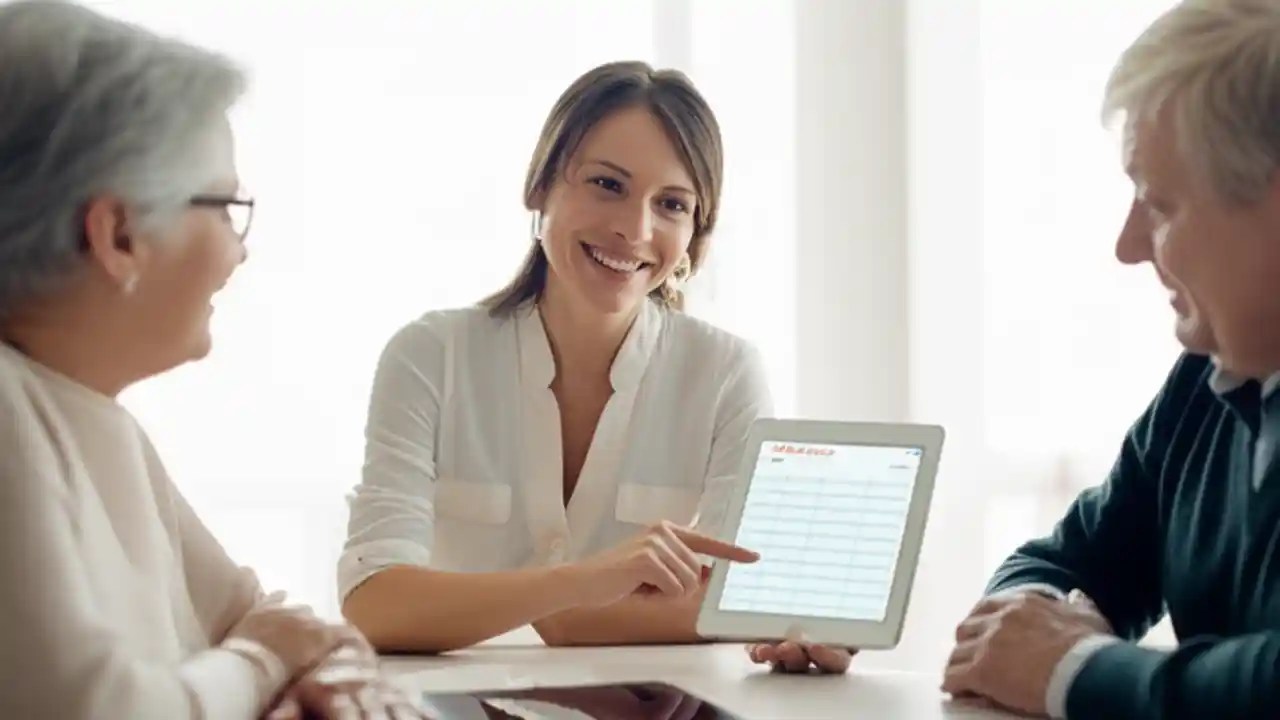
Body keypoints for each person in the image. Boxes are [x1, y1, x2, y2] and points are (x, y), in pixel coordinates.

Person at [339, 60, 852, 673]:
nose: (634, 229)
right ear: (540, 187)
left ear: (695, 234)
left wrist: (783, 623)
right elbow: (375, 604)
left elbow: (735, 597)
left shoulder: (725, 372)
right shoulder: (430, 356)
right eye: (607, 184)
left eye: (671, 204)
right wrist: (585, 586)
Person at [0, 2, 425, 718]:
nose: (240, 250)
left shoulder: (100, 422)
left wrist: (305, 670)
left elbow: (279, 623)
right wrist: (262, 664)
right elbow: (102, 709)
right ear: (120, 234)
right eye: (227, 208)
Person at [942, 1, 1280, 718]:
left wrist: (1074, 667)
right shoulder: (1205, 384)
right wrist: (1026, 627)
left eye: (1159, 204)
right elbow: (1062, 560)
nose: (1129, 246)